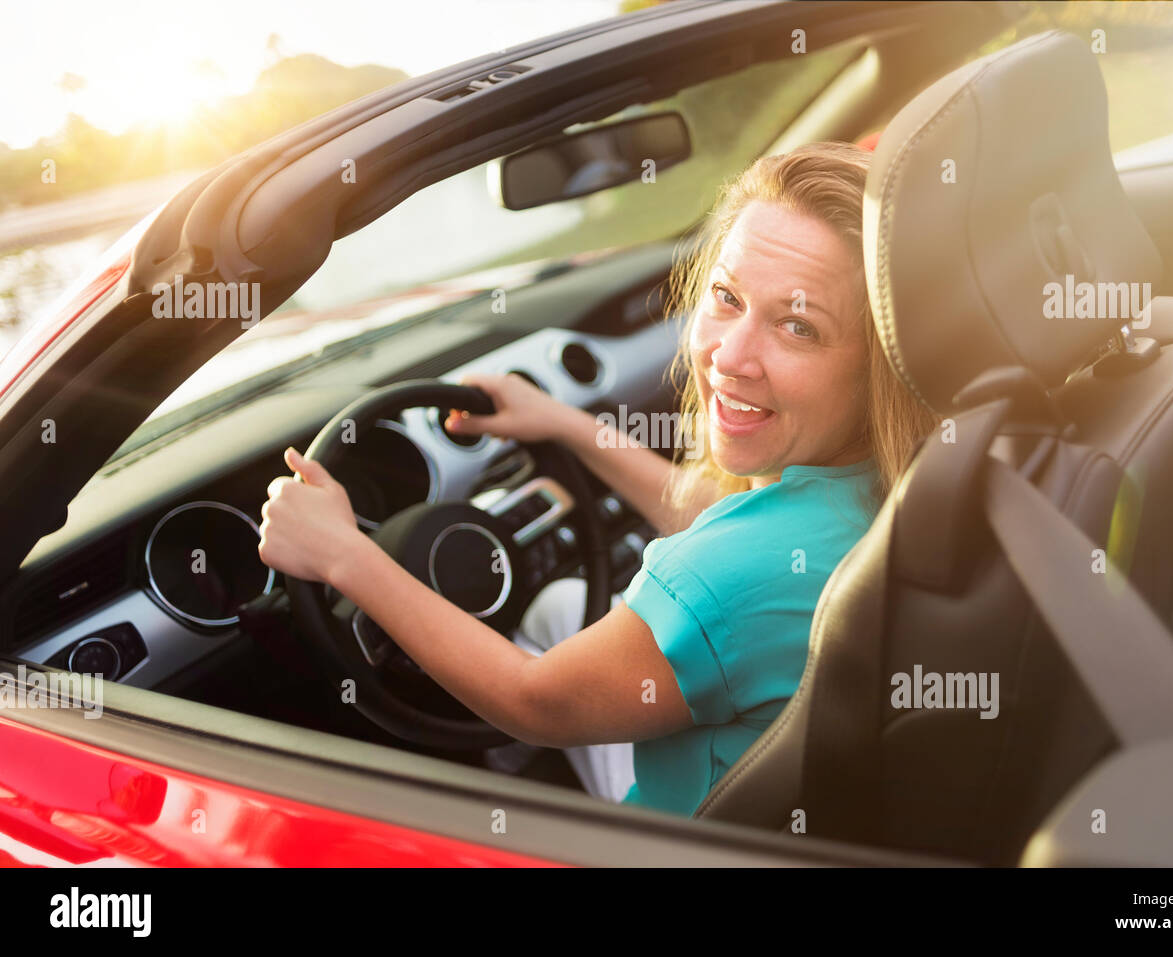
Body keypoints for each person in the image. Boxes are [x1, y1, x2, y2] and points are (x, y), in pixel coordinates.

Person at [257, 140, 938, 817]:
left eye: (797, 326)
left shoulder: (729, 580)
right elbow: (717, 512)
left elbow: (533, 699)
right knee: (561, 606)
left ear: (881, 360)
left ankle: (517, 801)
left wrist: (344, 554)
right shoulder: (901, 475)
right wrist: (565, 423)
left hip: (671, 831)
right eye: (727, 297)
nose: (730, 356)